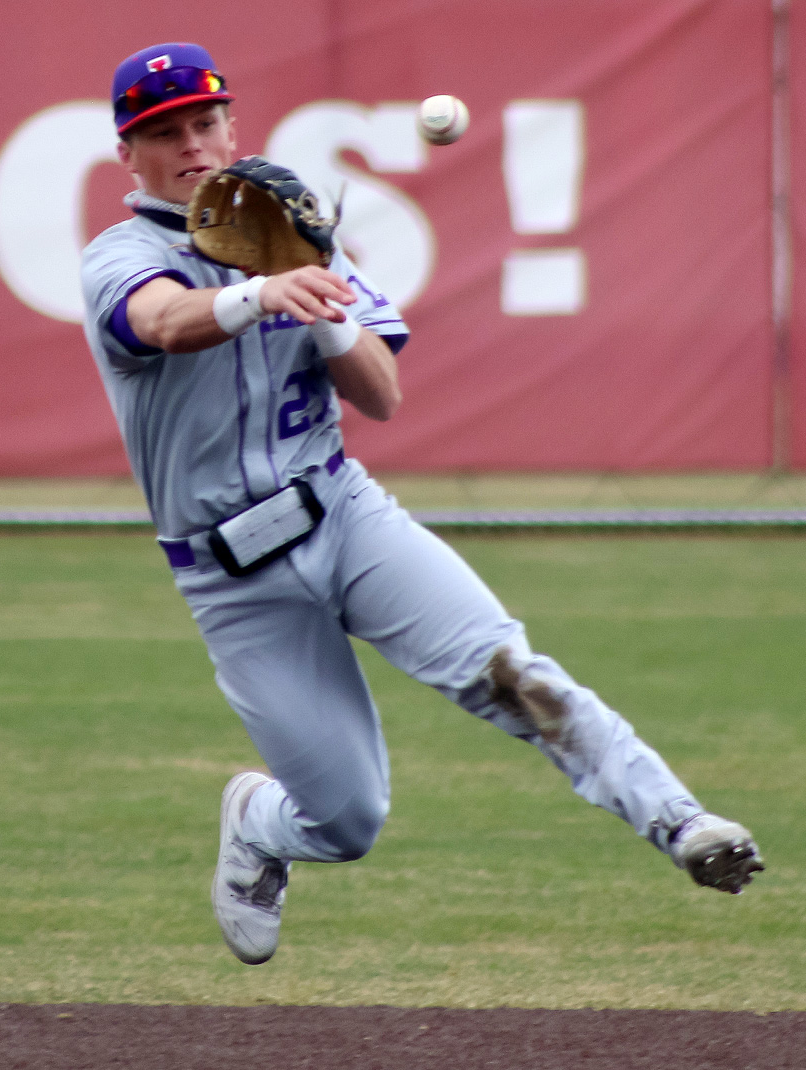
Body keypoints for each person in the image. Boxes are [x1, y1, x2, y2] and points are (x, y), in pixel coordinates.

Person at [79, 43, 763, 966]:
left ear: (233, 126)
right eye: (163, 134)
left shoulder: (295, 238)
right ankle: (257, 821)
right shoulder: (120, 256)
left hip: (343, 513)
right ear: (130, 156)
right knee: (347, 819)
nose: (191, 146)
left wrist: (324, 303)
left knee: (511, 671)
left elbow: (383, 394)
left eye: (205, 123)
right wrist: (259, 295)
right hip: (231, 577)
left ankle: (681, 821)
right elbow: (160, 322)